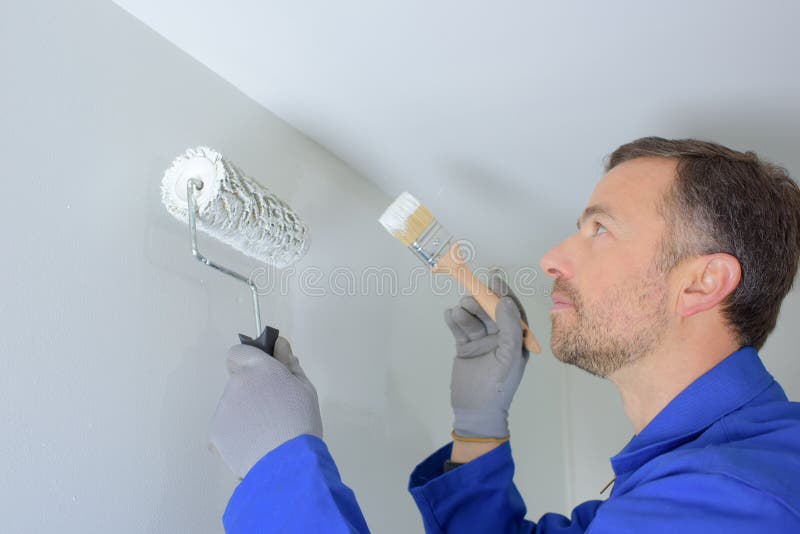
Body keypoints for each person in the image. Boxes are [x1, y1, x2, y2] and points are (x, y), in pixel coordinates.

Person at [208, 137, 800, 533]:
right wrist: (478, 429)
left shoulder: (735, 499)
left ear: (701, 283)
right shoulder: (699, 473)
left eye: (600, 231)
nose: (551, 259)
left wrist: (281, 481)